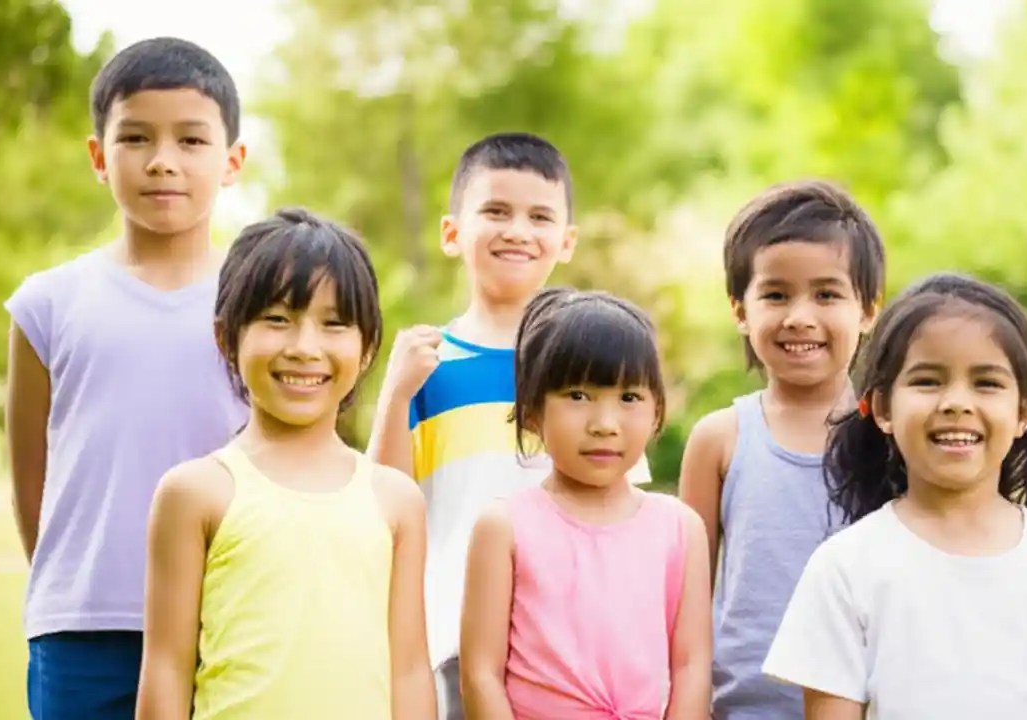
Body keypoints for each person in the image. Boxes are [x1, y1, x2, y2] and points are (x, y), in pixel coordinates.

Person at [763, 273, 1027, 719]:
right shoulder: (845, 567)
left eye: (986, 383)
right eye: (927, 381)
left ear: (1025, 411)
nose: (956, 402)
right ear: (882, 407)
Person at [3, 37, 248, 720]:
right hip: (83, 624)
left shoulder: (262, 303)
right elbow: (32, 480)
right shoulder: (47, 303)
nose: (163, 160)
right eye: (136, 137)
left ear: (232, 161)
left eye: (192, 140)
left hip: (231, 614)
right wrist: (74, 586)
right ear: (98, 157)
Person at [367, 132, 649, 716]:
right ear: (452, 232)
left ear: (566, 241)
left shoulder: (589, 366)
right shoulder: (427, 364)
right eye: (496, 211)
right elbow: (384, 505)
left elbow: (621, 501)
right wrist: (395, 396)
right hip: (454, 635)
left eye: (540, 216)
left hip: (576, 640)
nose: (518, 230)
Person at [135, 208, 435, 719]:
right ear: (226, 337)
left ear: (367, 350)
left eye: (334, 324)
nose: (304, 348)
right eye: (277, 320)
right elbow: (166, 667)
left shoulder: (396, 499)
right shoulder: (196, 492)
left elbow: (408, 668)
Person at [678, 180, 884, 718]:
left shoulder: (888, 439)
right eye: (775, 294)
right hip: (743, 707)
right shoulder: (720, 439)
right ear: (739, 310)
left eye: (827, 294)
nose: (799, 316)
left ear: (868, 310)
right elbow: (685, 599)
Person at [460, 288, 711, 719]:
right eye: (578, 395)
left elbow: (692, 665)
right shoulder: (505, 527)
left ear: (656, 413)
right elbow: (481, 672)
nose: (604, 425)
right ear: (533, 411)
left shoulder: (679, 528)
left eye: (629, 398)